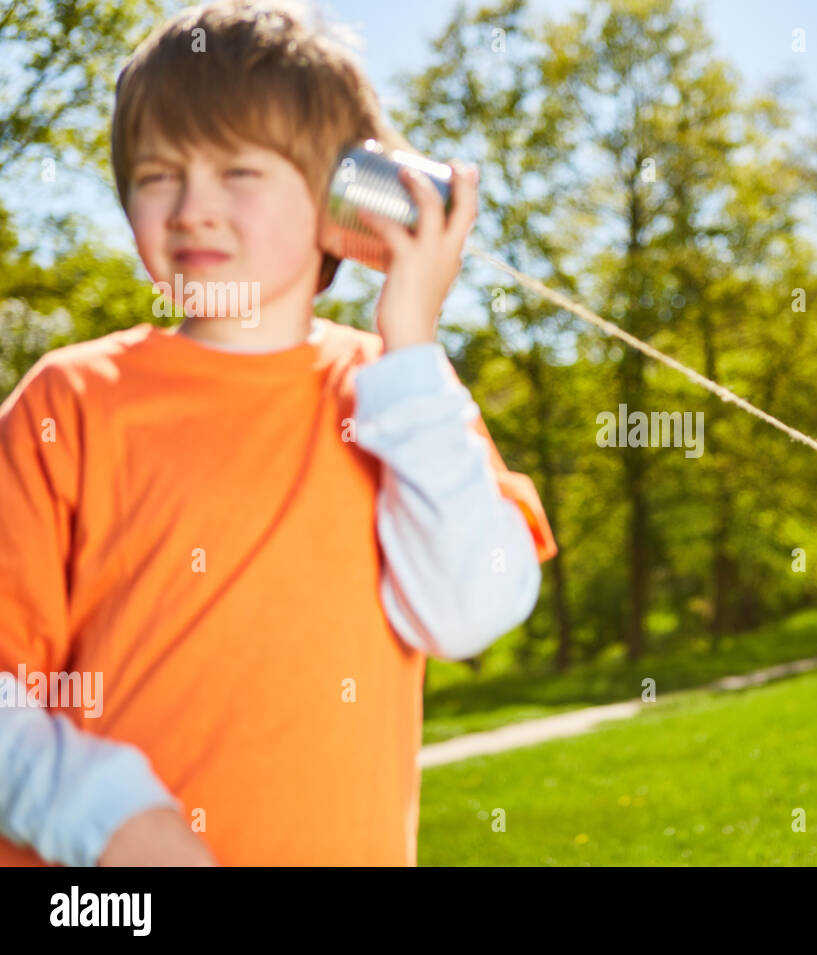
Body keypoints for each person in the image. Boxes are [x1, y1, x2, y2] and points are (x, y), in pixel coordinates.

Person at [0, 0, 556, 866]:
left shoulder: (401, 395)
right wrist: (111, 820)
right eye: (156, 174)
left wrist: (410, 343)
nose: (191, 207)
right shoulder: (68, 400)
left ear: (346, 199)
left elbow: (469, 614)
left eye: (239, 172)